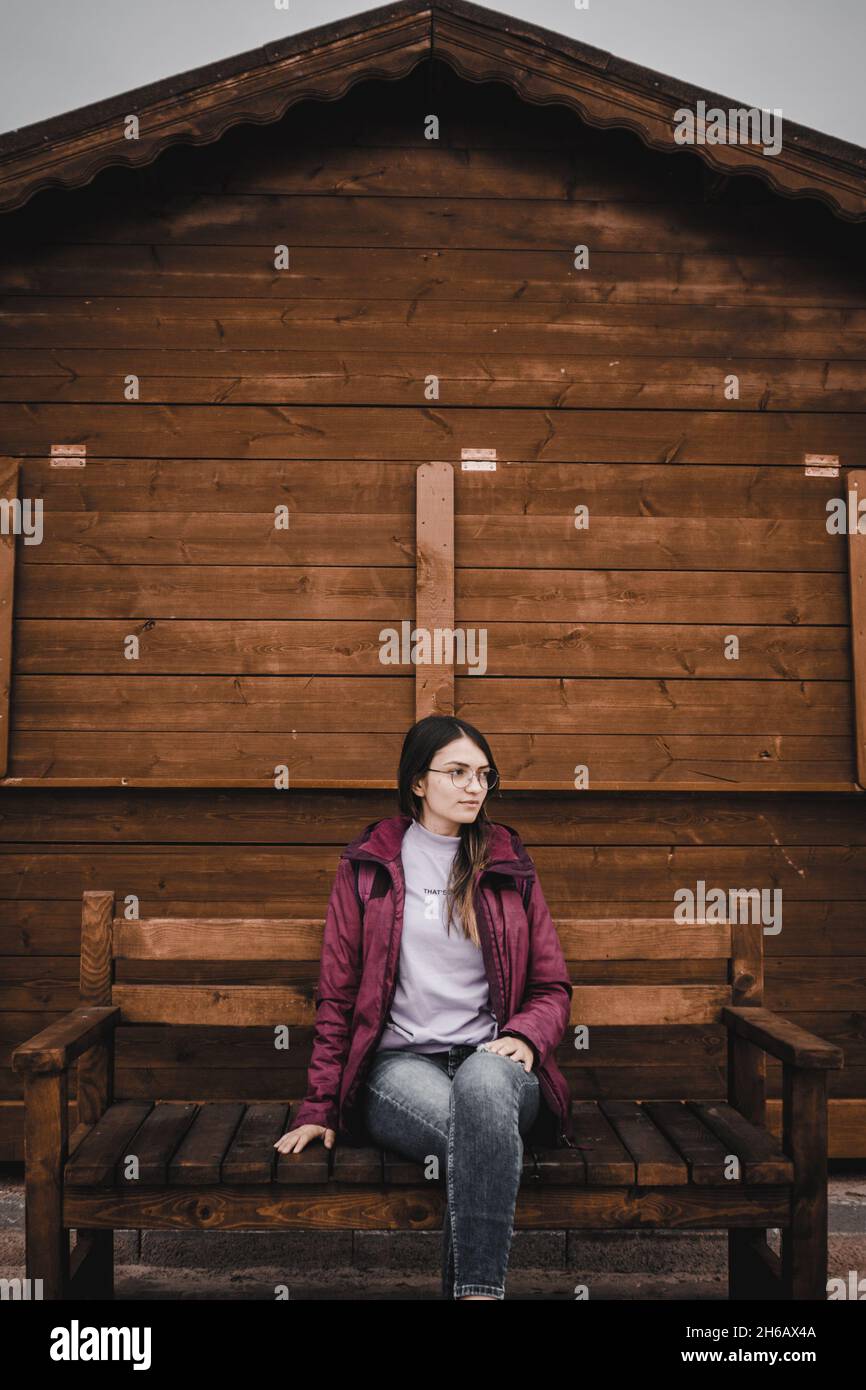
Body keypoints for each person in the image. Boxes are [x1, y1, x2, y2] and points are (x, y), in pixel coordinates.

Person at [274, 714, 574, 1299]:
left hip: (496, 1062)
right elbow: (337, 993)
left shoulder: (507, 862)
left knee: (485, 1090)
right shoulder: (368, 866)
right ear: (418, 782)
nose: (473, 788)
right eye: (457, 772)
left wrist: (529, 1036)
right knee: (481, 1137)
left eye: (484, 776)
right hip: (402, 1068)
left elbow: (552, 985)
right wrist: (319, 1107)